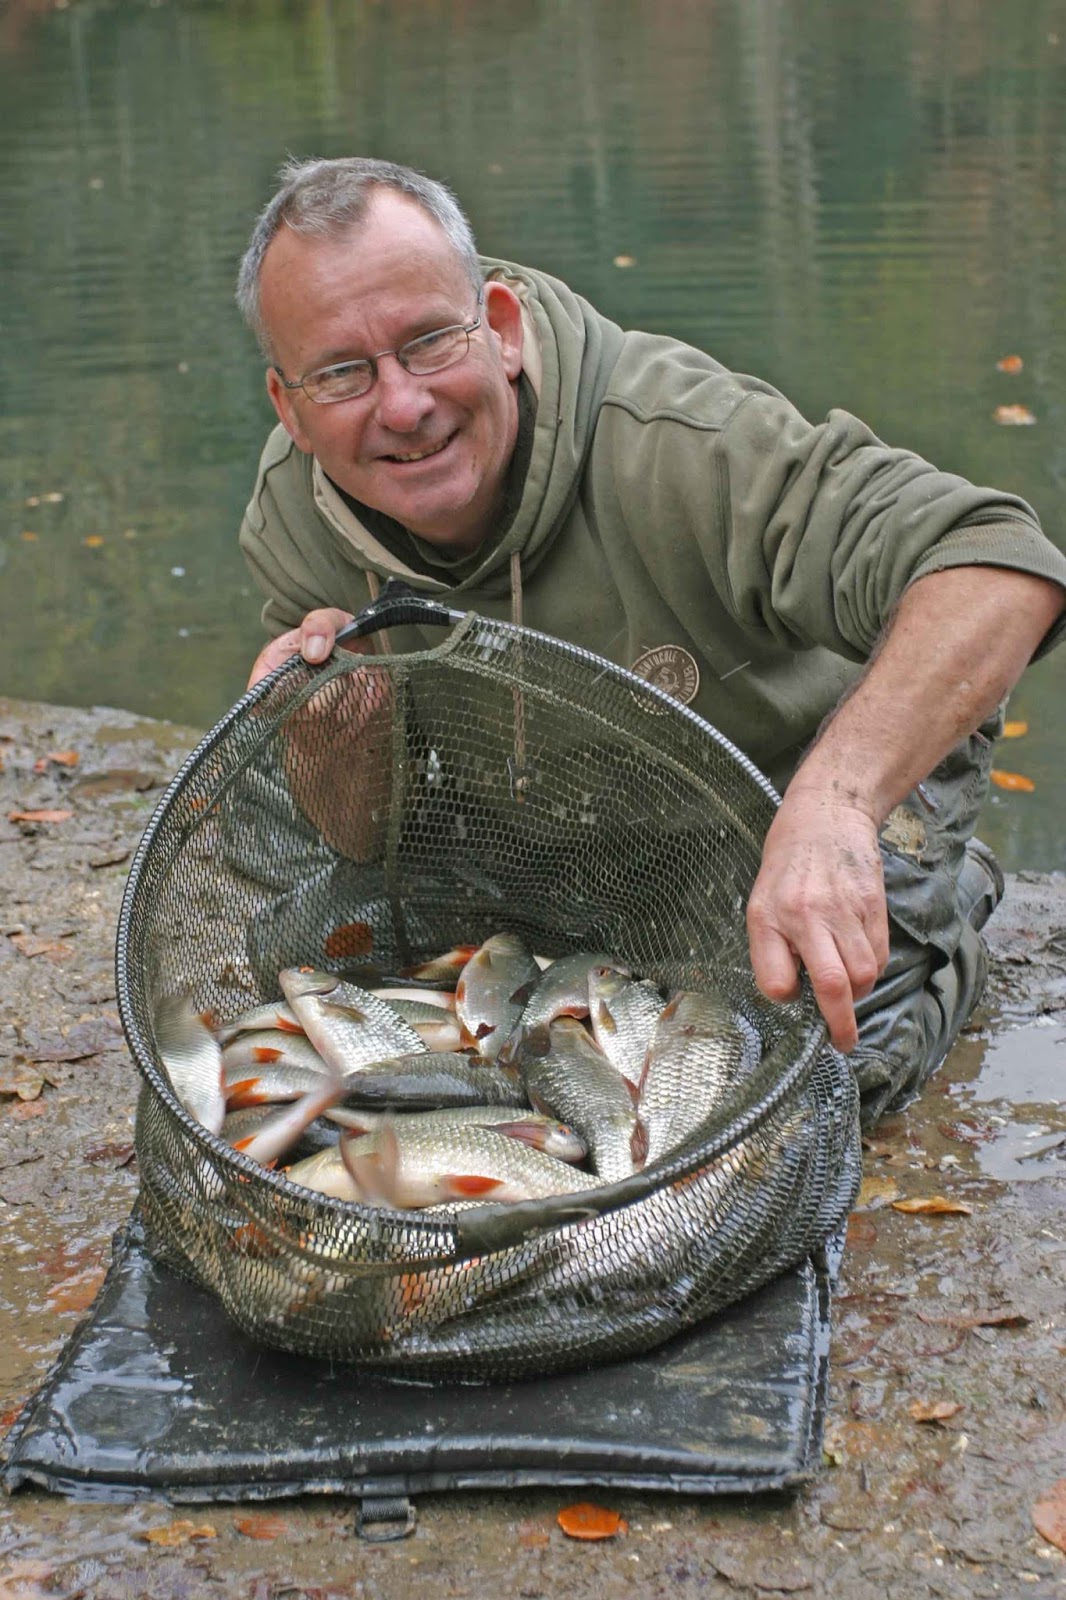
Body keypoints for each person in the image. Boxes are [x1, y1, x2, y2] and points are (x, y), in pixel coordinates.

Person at [234, 155, 1066, 1126]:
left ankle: (942, 905)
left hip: (796, 780)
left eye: (428, 342)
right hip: (575, 815)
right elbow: (359, 834)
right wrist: (333, 745)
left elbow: (998, 563)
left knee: (819, 1054)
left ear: (499, 328)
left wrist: (836, 804)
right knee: (343, 973)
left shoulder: (679, 438)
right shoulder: (291, 520)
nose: (403, 405)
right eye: (341, 372)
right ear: (288, 405)